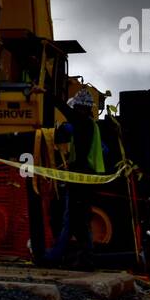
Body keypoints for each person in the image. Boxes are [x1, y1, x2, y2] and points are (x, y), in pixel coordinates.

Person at [45, 88, 105, 268]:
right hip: (86, 177)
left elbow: (65, 109)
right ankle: (84, 259)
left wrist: (46, 92)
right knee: (79, 220)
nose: (76, 110)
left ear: (81, 107)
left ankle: (56, 257)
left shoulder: (81, 122)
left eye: (78, 107)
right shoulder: (91, 125)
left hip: (80, 177)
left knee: (71, 219)